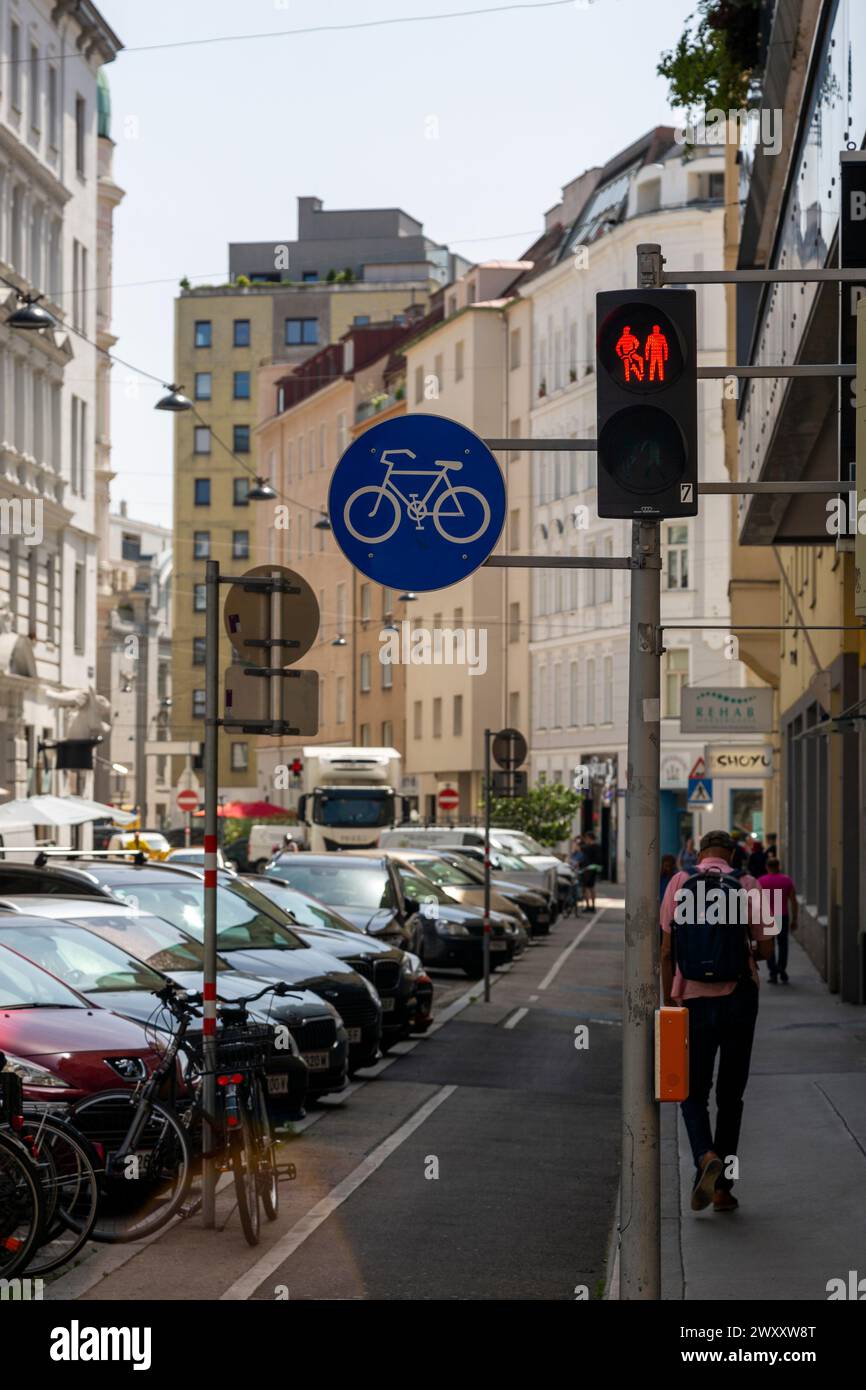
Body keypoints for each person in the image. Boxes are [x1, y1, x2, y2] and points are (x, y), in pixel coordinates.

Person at [660, 829, 774, 1215]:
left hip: (690, 999)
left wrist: (669, 1004)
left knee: (691, 1091)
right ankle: (723, 1188)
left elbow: (665, 951)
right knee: (730, 1095)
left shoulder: (679, 881)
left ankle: (704, 1154)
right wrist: (742, 952)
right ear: (730, 854)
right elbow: (768, 947)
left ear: (701, 852)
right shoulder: (747, 883)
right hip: (740, 998)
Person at [758, 855, 798, 983]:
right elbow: (793, 901)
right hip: (782, 915)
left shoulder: (761, 881)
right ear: (778, 866)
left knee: (769, 945)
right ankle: (782, 969)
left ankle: (772, 973)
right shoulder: (786, 880)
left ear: (766, 867)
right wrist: (795, 919)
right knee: (783, 944)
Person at [578, 832, 600, 914]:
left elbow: (580, 850)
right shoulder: (597, 847)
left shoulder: (588, 848)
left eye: (586, 838)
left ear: (589, 838)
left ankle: (588, 906)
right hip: (594, 869)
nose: (586, 840)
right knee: (592, 888)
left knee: (587, 888)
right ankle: (593, 906)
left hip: (588, 869)